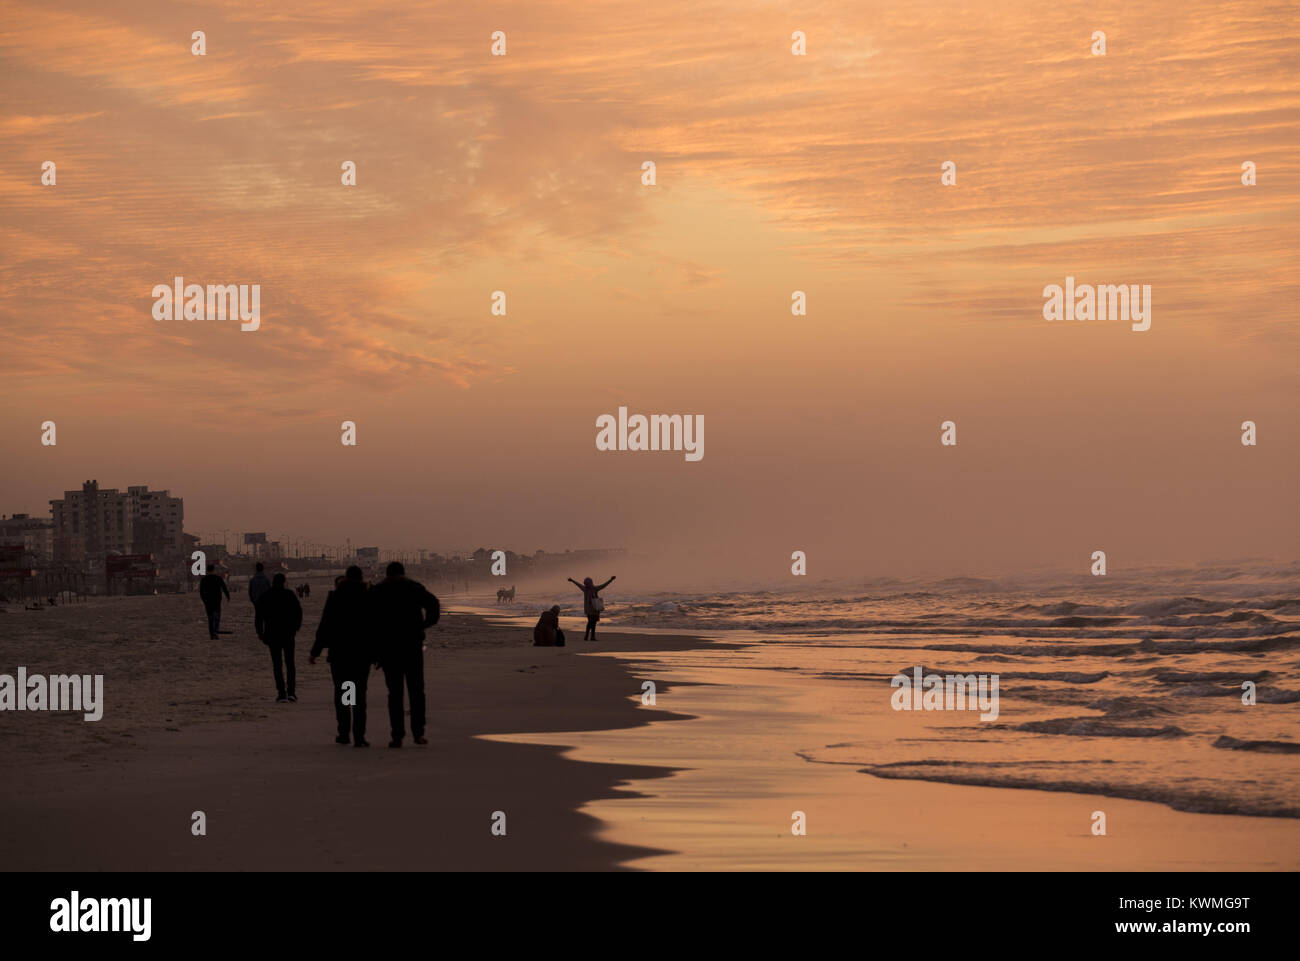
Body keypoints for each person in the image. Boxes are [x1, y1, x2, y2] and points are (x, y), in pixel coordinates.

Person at [370, 561, 439, 748]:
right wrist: (425, 624)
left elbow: (370, 622)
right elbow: (433, 604)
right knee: (416, 691)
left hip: (389, 647)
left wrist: (374, 652)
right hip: (411, 645)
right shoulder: (413, 587)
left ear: (387, 573)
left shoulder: (378, 590)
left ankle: (397, 736)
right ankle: (418, 734)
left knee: (395, 693)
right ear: (403, 572)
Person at [310, 566, 372, 747]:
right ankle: (359, 736)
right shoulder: (368, 596)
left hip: (341, 654)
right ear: (361, 578)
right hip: (362, 654)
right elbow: (375, 627)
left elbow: (325, 625)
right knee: (360, 696)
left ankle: (344, 733)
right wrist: (378, 654)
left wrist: (315, 651)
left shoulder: (336, 596)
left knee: (345, 693)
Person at [255, 573, 303, 703]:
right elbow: (298, 612)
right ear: (284, 582)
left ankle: (281, 693)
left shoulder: (265, 596)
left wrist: (260, 632)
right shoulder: (289, 595)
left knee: (277, 665)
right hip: (288, 633)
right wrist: (296, 627)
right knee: (290, 664)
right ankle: (291, 692)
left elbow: (258, 616)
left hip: (272, 634)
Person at [567, 575, 615, 641]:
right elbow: (604, 585)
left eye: (586, 583)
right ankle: (590, 636)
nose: (586, 584)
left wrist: (572, 581)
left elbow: (578, 585)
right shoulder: (594, 588)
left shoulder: (585, 589)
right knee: (592, 623)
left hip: (589, 609)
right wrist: (611, 580)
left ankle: (588, 636)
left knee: (590, 622)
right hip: (594, 609)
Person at [198, 565, 230, 639]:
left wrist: (204, 600)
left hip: (208, 601)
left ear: (207, 570)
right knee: (217, 618)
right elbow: (224, 588)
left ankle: (212, 634)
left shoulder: (204, 579)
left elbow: (201, 592)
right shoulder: (218, 578)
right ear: (213, 570)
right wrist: (227, 596)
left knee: (210, 618)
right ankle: (215, 632)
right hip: (217, 601)